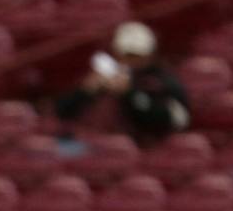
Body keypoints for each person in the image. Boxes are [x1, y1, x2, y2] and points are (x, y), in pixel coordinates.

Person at [56, 21, 192, 147]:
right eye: (126, 55)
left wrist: (130, 94)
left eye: (137, 56)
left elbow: (174, 120)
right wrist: (85, 91)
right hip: (89, 145)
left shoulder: (161, 81)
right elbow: (61, 112)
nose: (131, 61)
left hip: (139, 149)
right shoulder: (100, 74)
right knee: (57, 150)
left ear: (149, 55)